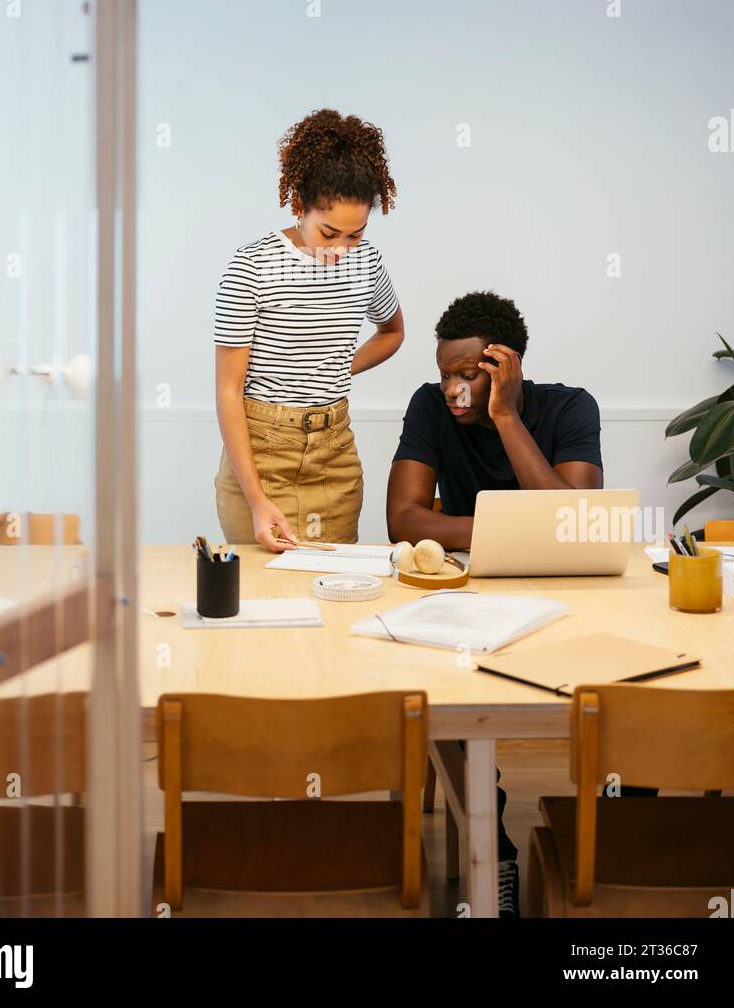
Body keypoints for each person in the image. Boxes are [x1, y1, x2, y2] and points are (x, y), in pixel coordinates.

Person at [386, 290, 604, 917]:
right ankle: (497, 853)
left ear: (505, 366)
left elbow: (575, 520)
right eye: (445, 374)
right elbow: (404, 518)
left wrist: (506, 418)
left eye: (468, 375)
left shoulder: (568, 407)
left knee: (624, 685)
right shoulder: (430, 408)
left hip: (571, 591)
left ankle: (612, 848)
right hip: (471, 592)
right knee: (442, 697)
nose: (452, 390)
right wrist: (521, 528)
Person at [214, 108, 404, 551]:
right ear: (299, 206)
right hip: (262, 454)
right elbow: (228, 391)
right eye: (329, 232)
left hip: (334, 453)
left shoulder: (368, 262)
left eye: (355, 235)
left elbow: (392, 332)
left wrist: (335, 368)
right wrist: (258, 500)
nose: (341, 249)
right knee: (266, 597)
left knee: (332, 595)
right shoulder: (252, 267)